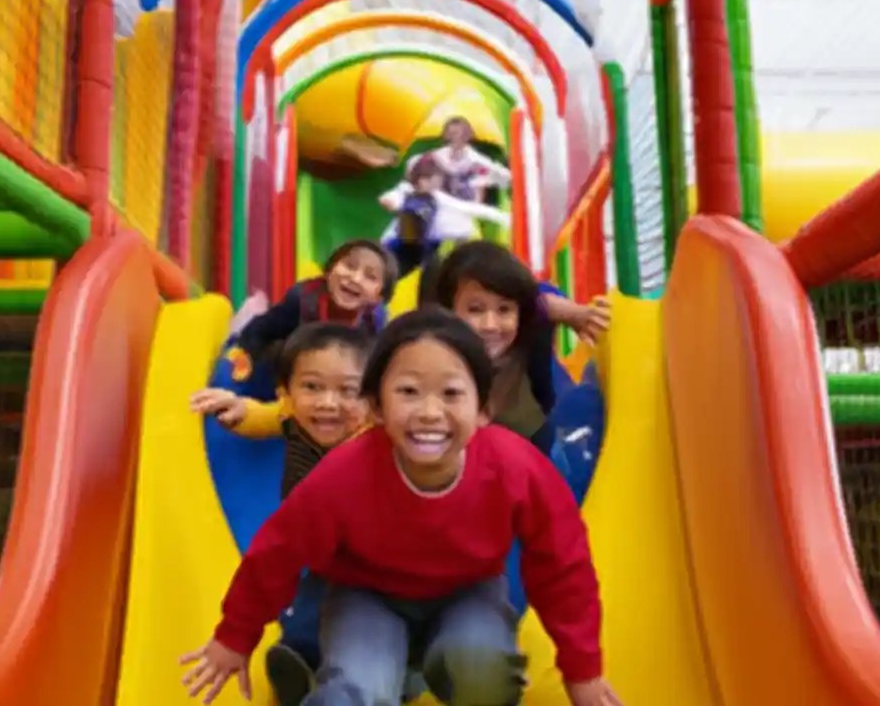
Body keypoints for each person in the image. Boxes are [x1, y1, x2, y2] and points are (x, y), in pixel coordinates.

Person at [180, 309, 622, 706]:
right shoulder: (345, 475)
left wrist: (582, 671)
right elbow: (278, 552)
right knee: (356, 689)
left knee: (483, 676)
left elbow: (563, 564)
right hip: (367, 595)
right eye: (408, 392)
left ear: (483, 409)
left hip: (467, 592)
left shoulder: (515, 468)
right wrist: (234, 639)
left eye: (451, 394)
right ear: (376, 407)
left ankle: (426, 668)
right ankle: (367, 670)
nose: (430, 412)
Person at [190, 323, 372, 706]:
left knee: (359, 630)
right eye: (312, 387)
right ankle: (300, 665)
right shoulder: (295, 420)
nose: (328, 403)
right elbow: (268, 419)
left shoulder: (373, 442)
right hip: (321, 559)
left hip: (376, 570)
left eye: (347, 391)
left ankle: (392, 674)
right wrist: (240, 410)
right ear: (286, 394)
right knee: (301, 620)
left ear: (373, 399)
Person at [433, 241, 610, 452]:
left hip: (531, 440)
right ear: (448, 312)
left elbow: (542, 301)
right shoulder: (436, 351)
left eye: (504, 310)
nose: (490, 325)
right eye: (475, 310)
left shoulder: (524, 332)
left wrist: (575, 314)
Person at [219, 239, 396, 391]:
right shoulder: (304, 298)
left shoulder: (374, 321)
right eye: (349, 266)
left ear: (378, 297)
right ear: (329, 270)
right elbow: (263, 329)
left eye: (370, 277)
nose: (355, 278)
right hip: (286, 368)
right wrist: (246, 353)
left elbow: (374, 366)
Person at [379, 155, 510, 303]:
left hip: (417, 254)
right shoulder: (406, 192)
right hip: (396, 247)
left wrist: (504, 218)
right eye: (425, 179)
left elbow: (472, 209)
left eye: (434, 180)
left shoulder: (439, 199)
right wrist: (398, 205)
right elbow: (388, 199)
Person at [418, 115, 512, 204]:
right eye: (450, 134)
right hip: (439, 209)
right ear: (445, 135)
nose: (453, 138)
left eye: (458, 134)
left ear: (467, 136)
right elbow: (416, 174)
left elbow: (504, 178)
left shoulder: (477, 162)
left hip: (465, 212)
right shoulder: (435, 157)